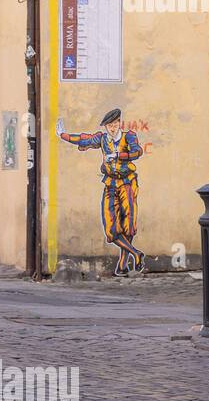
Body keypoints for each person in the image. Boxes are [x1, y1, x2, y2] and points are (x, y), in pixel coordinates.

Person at [55, 107, 145, 277]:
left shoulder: (129, 136)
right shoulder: (103, 139)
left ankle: (122, 265)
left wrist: (119, 155)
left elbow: (137, 152)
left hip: (127, 182)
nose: (113, 128)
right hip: (110, 183)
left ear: (119, 123)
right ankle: (136, 253)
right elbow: (84, 140)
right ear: (105, 127)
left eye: (115, 124)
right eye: (109, 125)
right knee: (110, 227)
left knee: (128, 224)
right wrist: (63, 135)